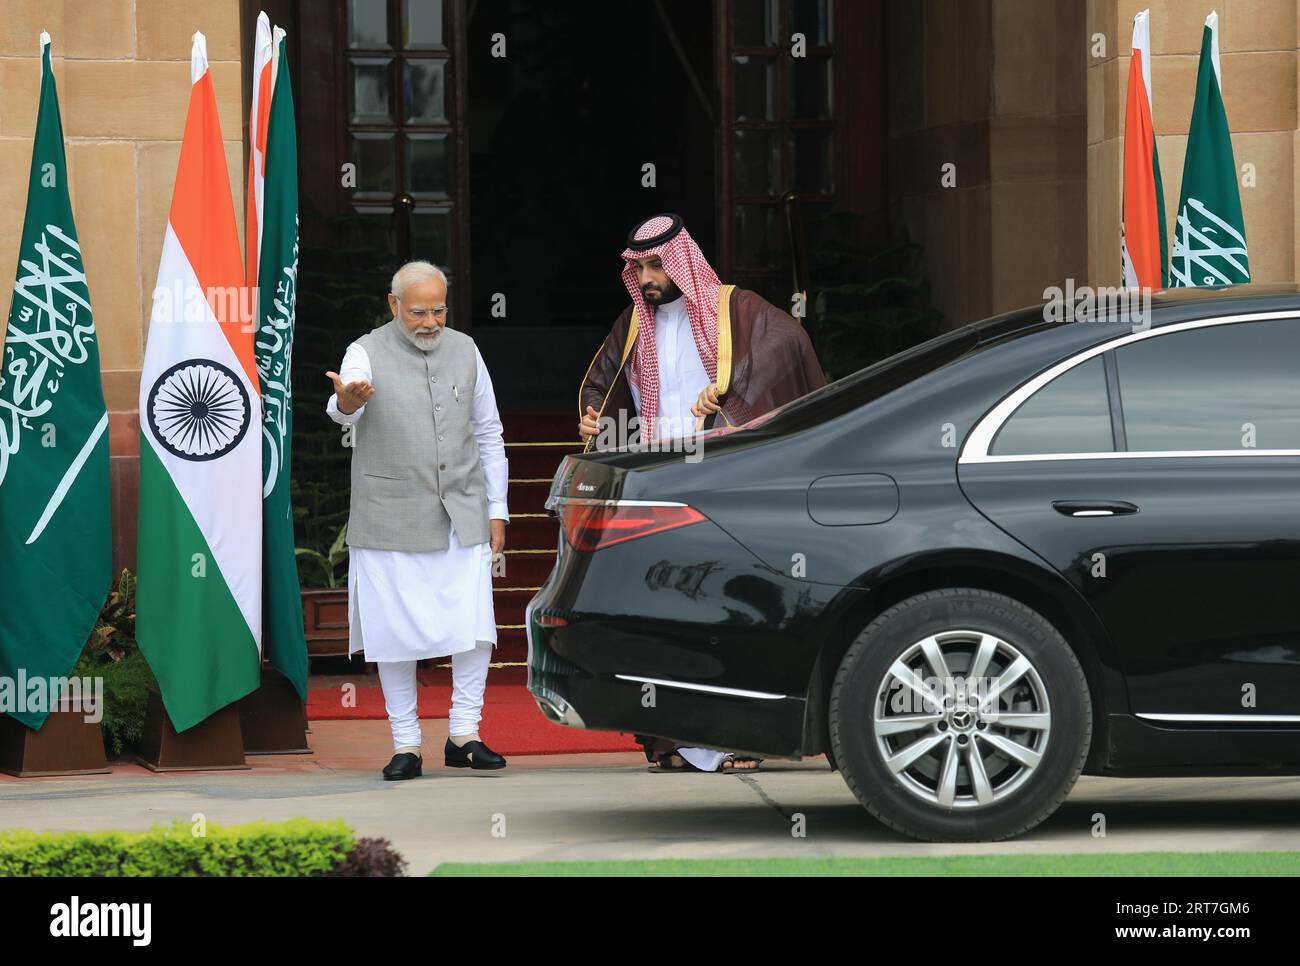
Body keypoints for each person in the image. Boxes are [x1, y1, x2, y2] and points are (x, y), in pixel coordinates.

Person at [578, 213, 826, 771]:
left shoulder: (736, 309)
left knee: (730, 607)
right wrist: (597, 419)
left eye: (656, 265)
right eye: (637, 267)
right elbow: (605, 385)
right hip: (657, 483)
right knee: (664, 612)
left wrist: (730, 391)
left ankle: (744, 735)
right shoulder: (634, 322)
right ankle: (672, 734)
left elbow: (787, 346)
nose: (645, 277)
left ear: (683, 260)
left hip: (725, 483)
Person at [327, 261, 509, 780]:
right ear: (393, 305)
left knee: (473, 625)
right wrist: (345, 403)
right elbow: (347, 402)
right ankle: (406, 744)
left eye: (438, 310)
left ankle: (464, 734)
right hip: (390, 514)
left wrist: (498, 508)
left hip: (462, 507)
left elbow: (489, 433)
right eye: (418, 312)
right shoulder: (365, 350)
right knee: (393, 631)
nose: (430, 321)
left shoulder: (466, 349)